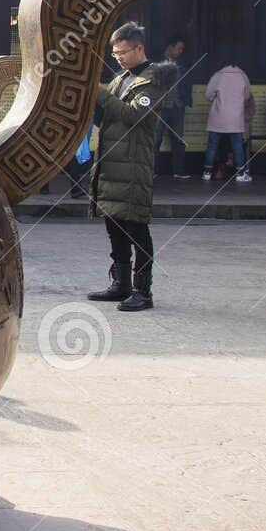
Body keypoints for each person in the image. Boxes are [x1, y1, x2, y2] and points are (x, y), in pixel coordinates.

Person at [87, 22, 177, 313]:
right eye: (114, 54)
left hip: (133, 166)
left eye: (123, 52)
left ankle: (142, 290)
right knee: (114, 227)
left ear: (140, 48)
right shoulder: (121, 79)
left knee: (136, 230)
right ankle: (120, 285)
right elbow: (110, 119)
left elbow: (133, 115)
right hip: (111, 164)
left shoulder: (153, 80)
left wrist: (99, 94)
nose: (119, 58)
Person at [201, 54, 254, 183]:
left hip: (218, 117)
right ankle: (240, 174)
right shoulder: (243, 76)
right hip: (236, 118)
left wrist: (216, 98)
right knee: (237, 146)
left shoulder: (217, 75)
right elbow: (247, 96)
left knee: (213, 145)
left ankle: (207, 172)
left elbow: (208, 95)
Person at [153, 35, 189, 177]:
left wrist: (185, 99)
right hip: (160, 106)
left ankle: (178, 171)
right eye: (178, 48)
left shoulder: (182, 64)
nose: (180, 51)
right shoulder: (156, 63)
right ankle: (153, 169)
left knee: (178, 138)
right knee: (156, 138)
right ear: (170, 47)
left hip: (177, 105)